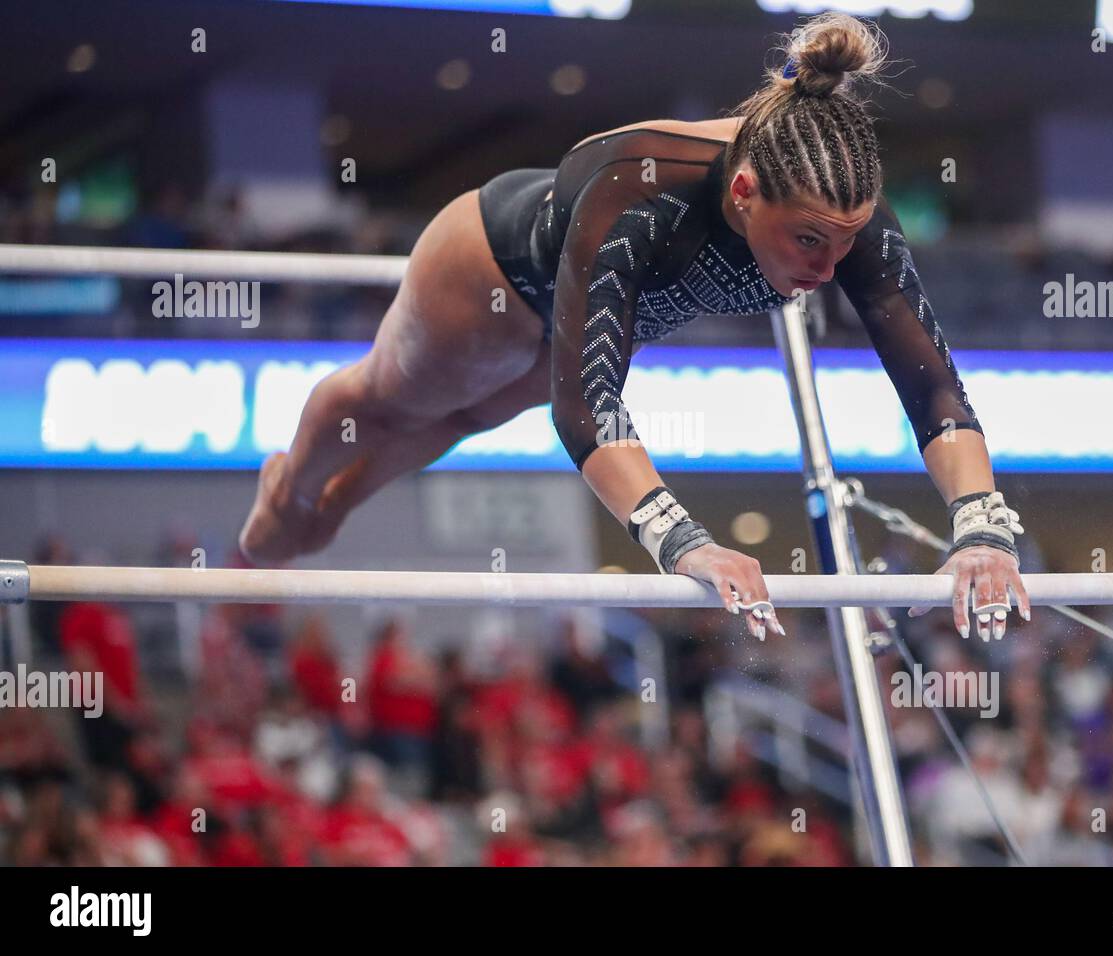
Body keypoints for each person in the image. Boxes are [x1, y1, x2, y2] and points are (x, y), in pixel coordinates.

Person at [238, 13, 1029, 643]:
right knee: (388, 401)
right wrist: (684, 541)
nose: (829, 269)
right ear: (746, 191)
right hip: (491, 269)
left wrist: (981, 523)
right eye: (809, 243)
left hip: (587, 314)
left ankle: (331, 508)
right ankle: (291, 488)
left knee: (470, 415)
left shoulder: (841, 208)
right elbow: (587, 406)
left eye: (845, 243)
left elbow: (933, 391)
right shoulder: (642, 186)